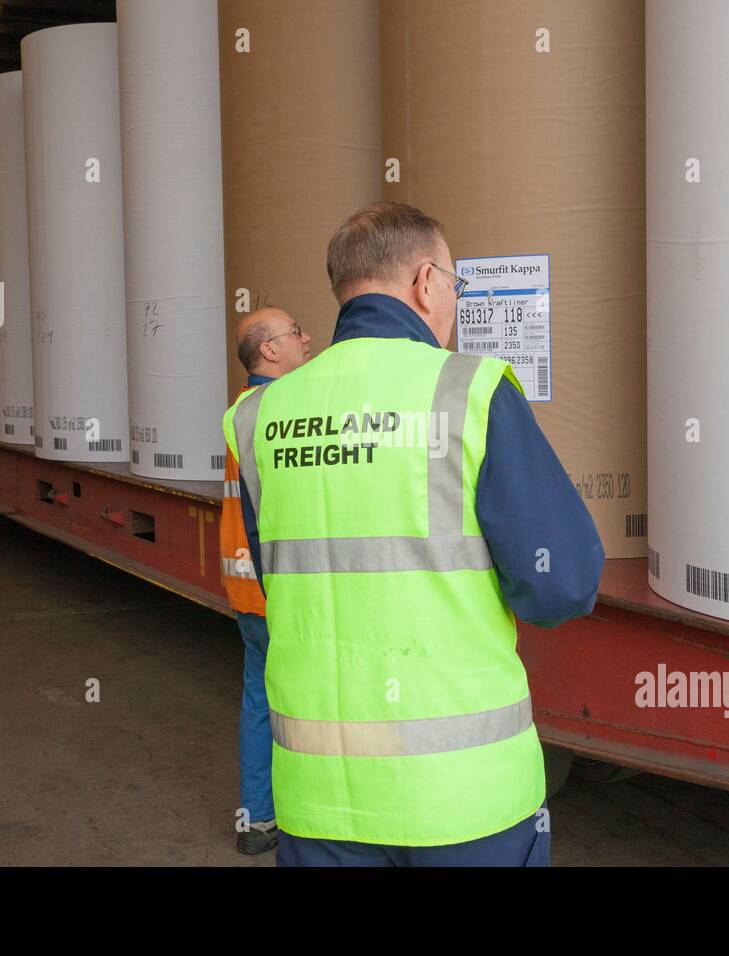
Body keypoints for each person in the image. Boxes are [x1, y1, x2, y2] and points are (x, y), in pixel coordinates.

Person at [223, 201, 603, 866]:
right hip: (465, 799)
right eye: (456, 284)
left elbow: (278, 566)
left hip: (321, 802)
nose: (453, 300)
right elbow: (561, 584)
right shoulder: (467, 391)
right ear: (425, 282)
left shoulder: (261, 416)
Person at [219, 305, 311, 854]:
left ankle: (257, 819)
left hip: (246, 586)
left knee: (259, 696)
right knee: (304, 700)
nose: (308, 338)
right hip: (276, 589)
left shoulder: (242, 411)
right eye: (296, 332)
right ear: (269, 351)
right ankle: (313, 817)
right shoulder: (280, 411)